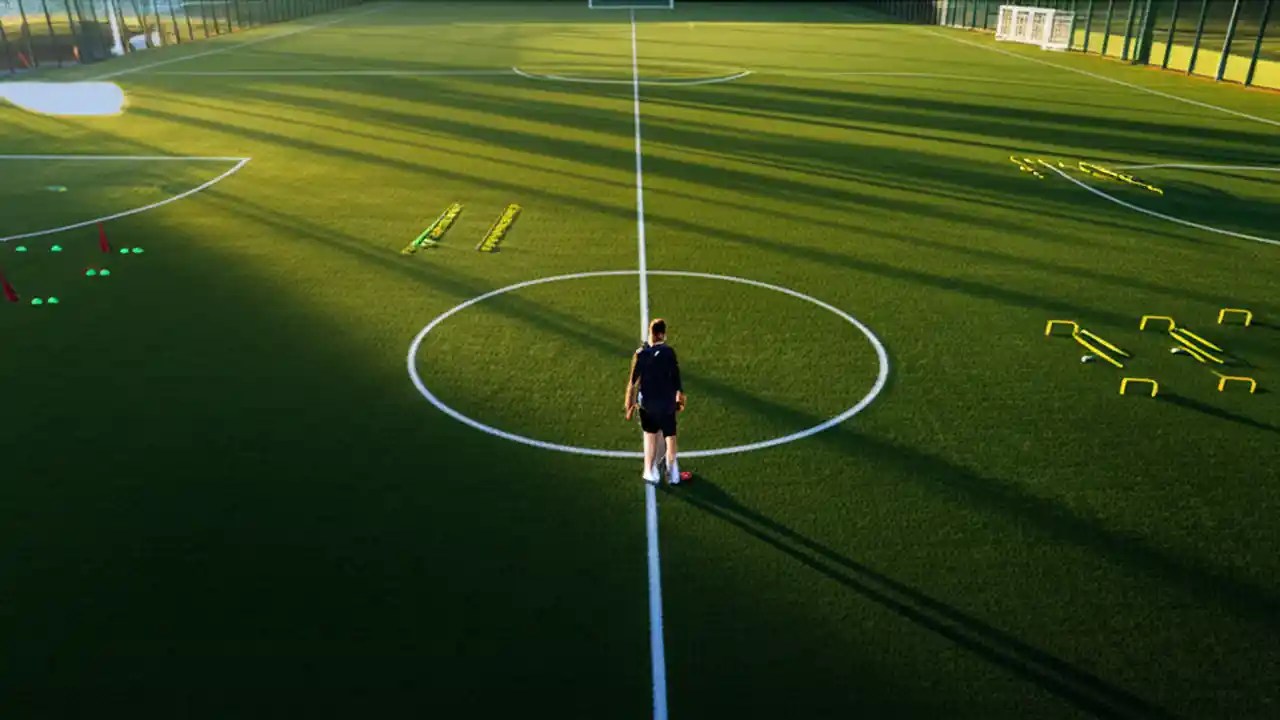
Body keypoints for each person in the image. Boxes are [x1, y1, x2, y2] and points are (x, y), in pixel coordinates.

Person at [624, 318, 687, 485]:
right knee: (670, 437)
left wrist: (628, 405)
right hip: (667, 404)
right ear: (662, 334)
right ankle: (672, 470)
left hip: (647, 405)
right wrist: (680, 399)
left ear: (651, 333)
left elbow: (632, 383)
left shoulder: (640, 354)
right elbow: (676, 379)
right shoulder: (669, 352)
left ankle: (650, 471)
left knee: (651, 437)